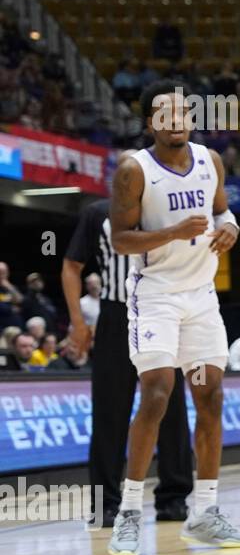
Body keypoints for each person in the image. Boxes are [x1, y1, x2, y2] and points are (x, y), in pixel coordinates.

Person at [106, 82, 240, 555]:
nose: (176, 120)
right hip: (157, 297)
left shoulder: (211, 160)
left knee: (210, 397)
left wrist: (229, 227)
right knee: (157, 393)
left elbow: (224, 209)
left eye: (183, 112)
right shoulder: (133, 169)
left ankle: (204, 512)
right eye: (164, 114)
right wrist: (171, 232)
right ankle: (128, 512)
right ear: (150, 122)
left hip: (201, 298)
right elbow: (121, 240)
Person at [63, 196, 194, 526]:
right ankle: (104, 503)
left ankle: (173, 498)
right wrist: (78, 323)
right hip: (115, 315)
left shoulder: (167, 207)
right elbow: (71, 265)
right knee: (109, 410)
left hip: (161, 311)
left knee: (171, 406)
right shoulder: (96, 212)